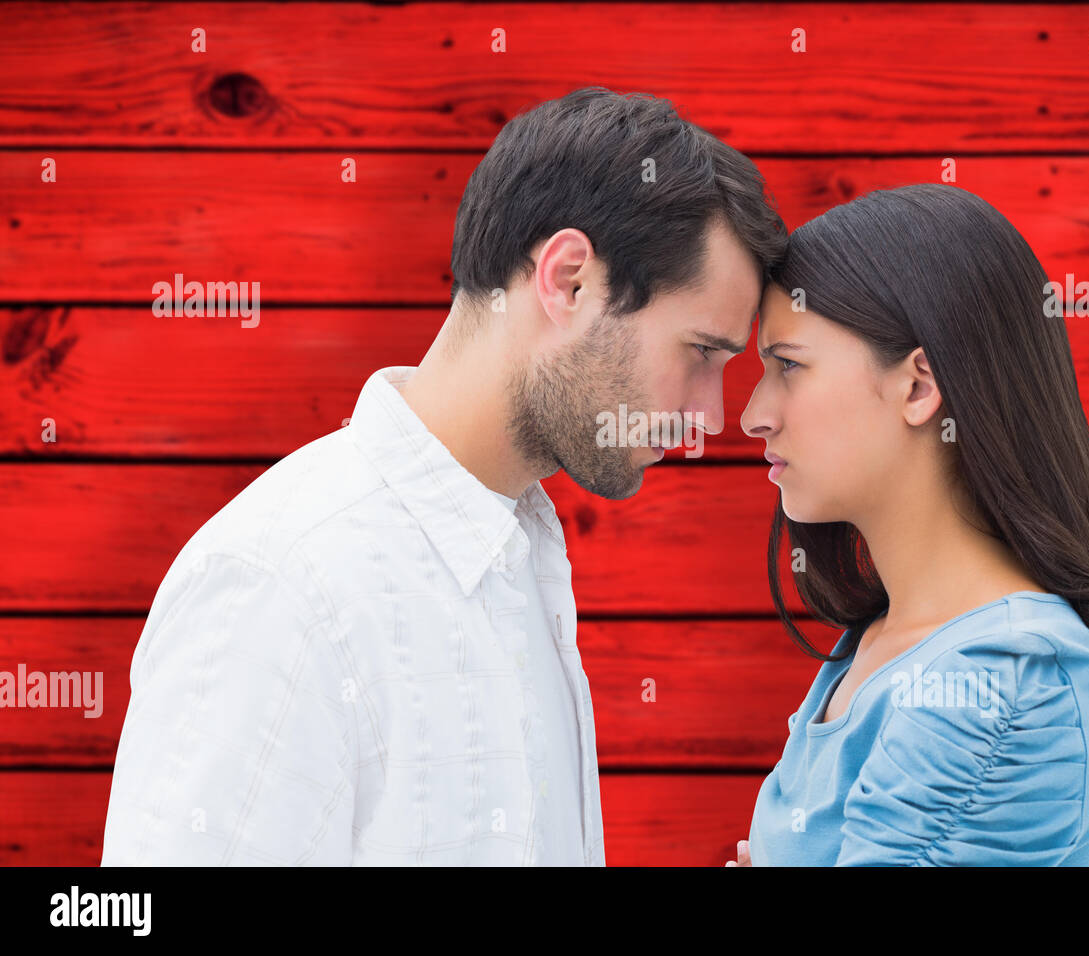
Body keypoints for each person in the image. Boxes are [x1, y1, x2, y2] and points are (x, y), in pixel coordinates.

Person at [100, 87, 786, 865]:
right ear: (568, 281)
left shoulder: (516, 554)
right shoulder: (283, 583)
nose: (709, 415)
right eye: (701, 353)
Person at [725, 183, 1089, 866]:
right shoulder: (874, 647)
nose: (753, 415)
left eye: (789, 367)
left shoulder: (1001, 681)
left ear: (920, 387)